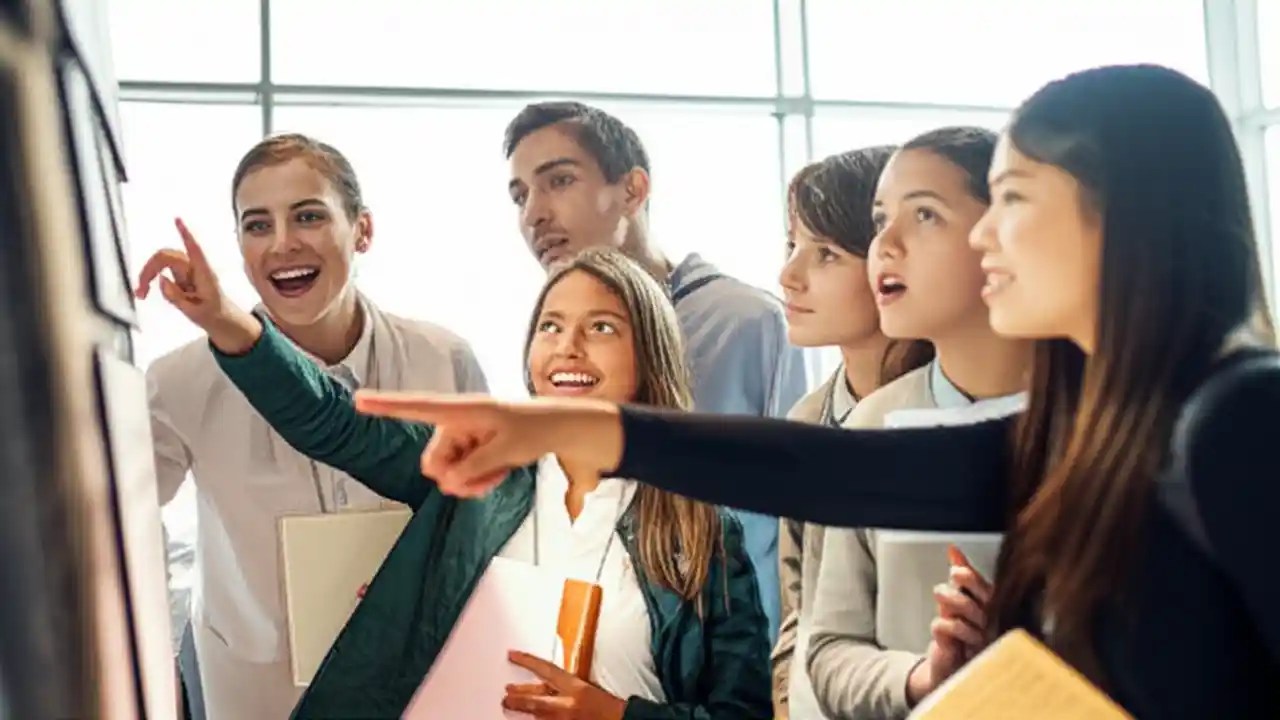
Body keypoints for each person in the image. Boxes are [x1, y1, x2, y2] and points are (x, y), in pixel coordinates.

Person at [354, 65, 1280, 718]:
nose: (985, 237)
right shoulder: (1088, 429)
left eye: (1016, 200)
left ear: (1122, 211)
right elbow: (836, 469)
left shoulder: (1240, 418)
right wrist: (563, 424)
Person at [137, 239, 774, 719]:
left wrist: (615, 715)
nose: (568, 347)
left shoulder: (702, 528)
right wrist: (225, 318)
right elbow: (334, 423)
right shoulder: (481, 467)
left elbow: (740, 713)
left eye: (601, 327)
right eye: (550, 326)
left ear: (651, 354)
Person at [143, 133, 488, 720]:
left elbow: (483, 528)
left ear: (363, 230)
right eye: (257, 225)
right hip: (256, 694)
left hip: (417, 685)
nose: (282, 244)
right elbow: (109, 527)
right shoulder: (180, 381)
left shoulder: (444, 360)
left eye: (307, 216)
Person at [504, 100, 808, 639]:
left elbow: (797, 515)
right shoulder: (555, 344)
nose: (534, 215)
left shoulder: (745, 322)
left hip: (733, 654)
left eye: (559, 181)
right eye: (521, 195)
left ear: (633, 190)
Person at [805, 127, 1030, 720]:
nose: (886, 243)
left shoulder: (1103, 428)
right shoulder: (873, 427)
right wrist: (922, 676)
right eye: (880, 219)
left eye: (925, 214)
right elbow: (828, 649)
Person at [771, 146, 932, 720]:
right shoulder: (808, 421)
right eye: (791, 246)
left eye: (826, 254)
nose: (789, 275)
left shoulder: (953, 409)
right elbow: (799, 614)